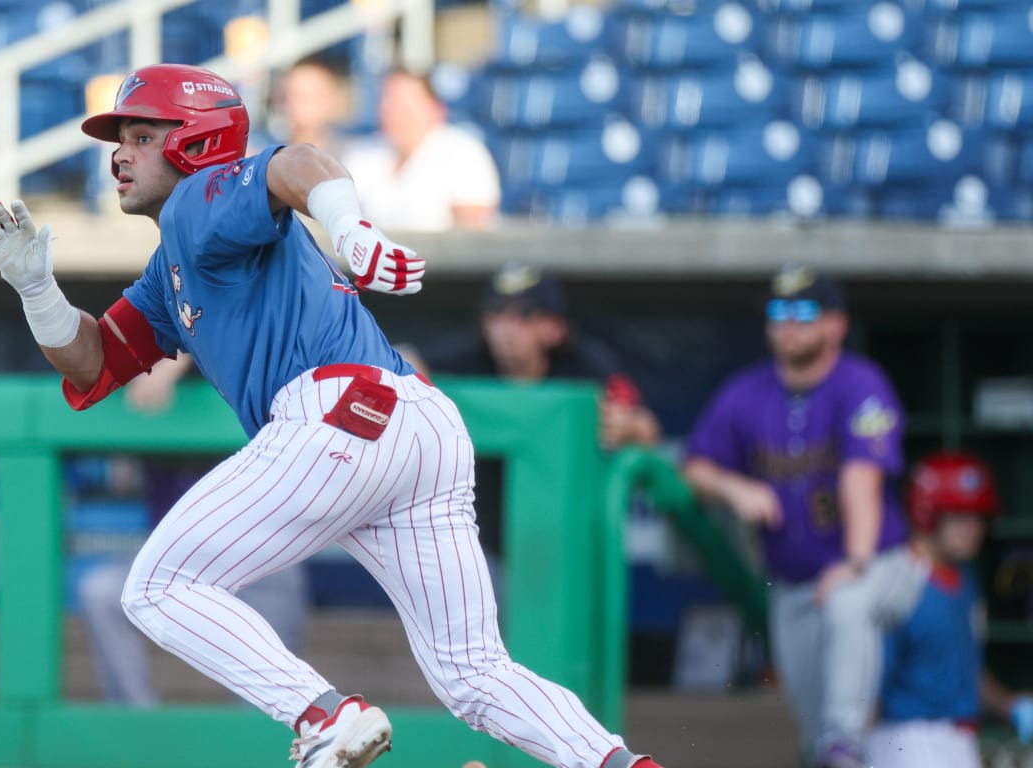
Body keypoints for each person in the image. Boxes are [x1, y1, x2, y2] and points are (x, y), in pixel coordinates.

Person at [0, 62, 661, 768]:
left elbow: (298, 162)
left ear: (196, 142)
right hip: (417, 425)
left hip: (337, 412)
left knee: (157, 587)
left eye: (142, 136)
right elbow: (93, 361)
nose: (120, 154)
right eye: (119, 140)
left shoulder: (195, 203)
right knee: (473, 673)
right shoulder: (173, 263)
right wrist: (37, 290)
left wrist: (352, 231)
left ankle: (326, 717)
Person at [681, 264, 921, 768]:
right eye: (779, 311)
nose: (790, 323)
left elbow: (861, 480)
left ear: (836, 324)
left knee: (847, 609)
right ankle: (837, 746)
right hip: (793, 585)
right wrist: (734, 486)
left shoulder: (860, 383)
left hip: (877, 563)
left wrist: (854, 562)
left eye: (805, 311)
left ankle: (847, 738)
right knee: (815, 736)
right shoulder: (747, 391)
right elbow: (694, 466)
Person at [77, 355, 310, 707]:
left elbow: (256, 350)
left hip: (257, 564)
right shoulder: (137, 374)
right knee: (101, 592)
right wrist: (145, 367)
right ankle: (139, 726)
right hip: (174, 565)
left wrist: (178, 361)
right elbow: (77, 358)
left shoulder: (246, 371)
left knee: (267, 710)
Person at [869, 452, 1033, 768]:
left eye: (978, 517)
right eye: (958, 516)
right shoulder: (898, 581)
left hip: (958, 740)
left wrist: (1009, 705)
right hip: (907, 739)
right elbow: (868, 681)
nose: (973, 528)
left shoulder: (964, 580)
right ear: (926, 513)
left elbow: (964, 669)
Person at [410, 263, 660, 451]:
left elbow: (648, 429)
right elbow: (409, 360)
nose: (506, 327)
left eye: (525, 315)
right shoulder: (473, 352)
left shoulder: (585, 363)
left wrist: (627, 427)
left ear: (555, 328)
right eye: (495, 312)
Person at [339, 67, 501, 231]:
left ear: (436, 108)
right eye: (389, 101)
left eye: (406, 104)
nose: (395, 112)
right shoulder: (362, 152)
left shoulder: (465, 154)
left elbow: (472, 230)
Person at [261, 58, 351, 156]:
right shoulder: (263, 155)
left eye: (312, 96)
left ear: (332, 99)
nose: (299, 104)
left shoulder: (355, 157)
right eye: (292, 95)